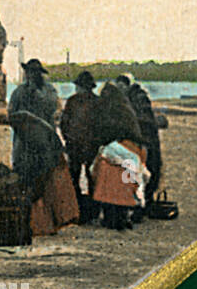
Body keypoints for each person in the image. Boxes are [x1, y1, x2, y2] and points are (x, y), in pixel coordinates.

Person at [8, 59, 79, 236]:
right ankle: (30, 222)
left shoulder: (48, 91)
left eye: (34, 72)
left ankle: (49, 222)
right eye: (29, 72)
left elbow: (53, 109)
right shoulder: (19, 92)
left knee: (46, 179)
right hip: (24, 144)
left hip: (45, 143)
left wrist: (36, 96)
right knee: (25, 178)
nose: (31, 75)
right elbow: (11, 114)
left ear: (39, 74)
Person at [90, 81, 145, 230]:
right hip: (133, 150)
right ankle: (122, 216)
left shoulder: (106, 110)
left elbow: (104, 134)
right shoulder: (125, 108)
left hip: (120, 150)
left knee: (106, 176)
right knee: (123, 183)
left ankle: (110, 217)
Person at [117, 73, 162, 222]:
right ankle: (139, 206)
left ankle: (141, 207)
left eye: (122, 86)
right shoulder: (130, 98)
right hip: (141, 142)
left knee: (144, 173)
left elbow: (142, 120)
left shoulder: (138, 98)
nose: (120, 89)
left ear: (127, 85)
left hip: (146, 142)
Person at [59, 71, 101, 224]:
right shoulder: (97, 102)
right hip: (88, 145)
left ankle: (77, 210)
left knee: (76, 178)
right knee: (91, 178)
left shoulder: (73, 101)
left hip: (78, 145)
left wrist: (67, 138)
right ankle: (91, 211)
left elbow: (64, 123)